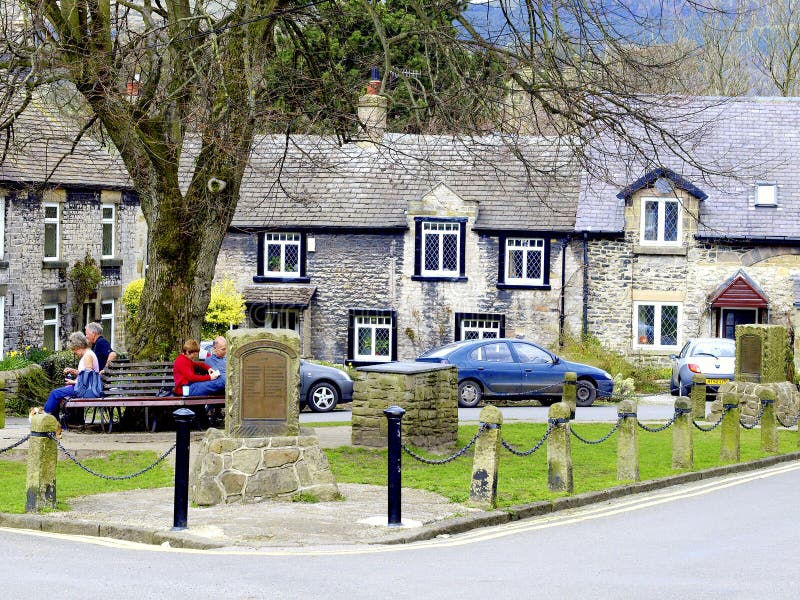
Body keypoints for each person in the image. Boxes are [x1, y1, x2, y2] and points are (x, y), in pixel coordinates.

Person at [44, 332, 99, 416]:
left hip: (85, 389)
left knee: (55, 393)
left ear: (79, 346)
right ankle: (56, 421)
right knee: (59, 394)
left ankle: (45, 416)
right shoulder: (88, 354)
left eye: (74, 350)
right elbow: (85, 373)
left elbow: (89, 378)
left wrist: (74, 382)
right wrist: (73, 371)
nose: (74, 352)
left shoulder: (88, 356)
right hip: (84, 388)